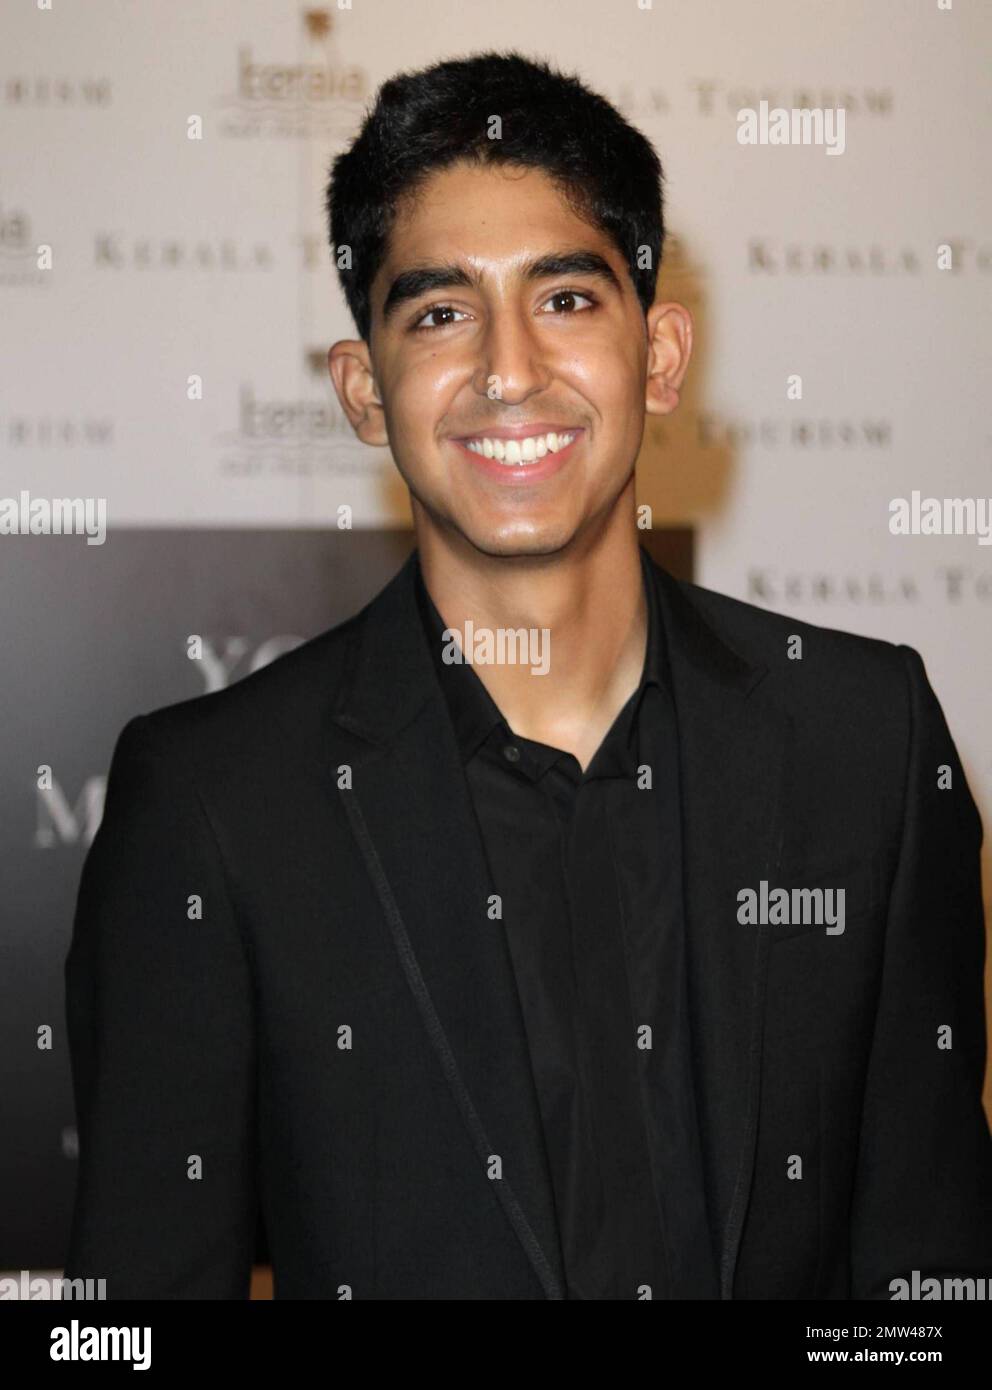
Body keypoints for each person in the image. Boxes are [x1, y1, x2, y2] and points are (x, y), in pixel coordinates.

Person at [63, 50, 992, 1300]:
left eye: (564, 299)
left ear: (658, 357)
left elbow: (927, 1281)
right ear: (362, 392)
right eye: (439, 313)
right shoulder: (216, 804)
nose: (508, 371)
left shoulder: (863, 744)